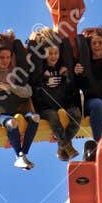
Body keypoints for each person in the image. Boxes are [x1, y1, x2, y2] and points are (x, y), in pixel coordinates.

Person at [0, 38, 39, 170]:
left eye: (8, 57)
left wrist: (10, 87)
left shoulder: (15, 73)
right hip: (0, 114)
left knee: (35, 117)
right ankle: (20, 156)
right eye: (2, 58)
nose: (5, 61)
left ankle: (22, 155)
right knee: (12, 122)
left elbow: (28, 92)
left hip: (15, 109)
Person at [29, 30, 82, 162]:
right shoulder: (41, 70)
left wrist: (66, 77)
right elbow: (36, 86)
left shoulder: (62, 68)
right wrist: (33, 40)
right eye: (50, 54)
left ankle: (61, 145)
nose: (53, 56)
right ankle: (67, 146)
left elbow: (67, 90)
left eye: (55, 53)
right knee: (53, 116)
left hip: (61, 104)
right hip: (45, 108)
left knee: (76, 113)